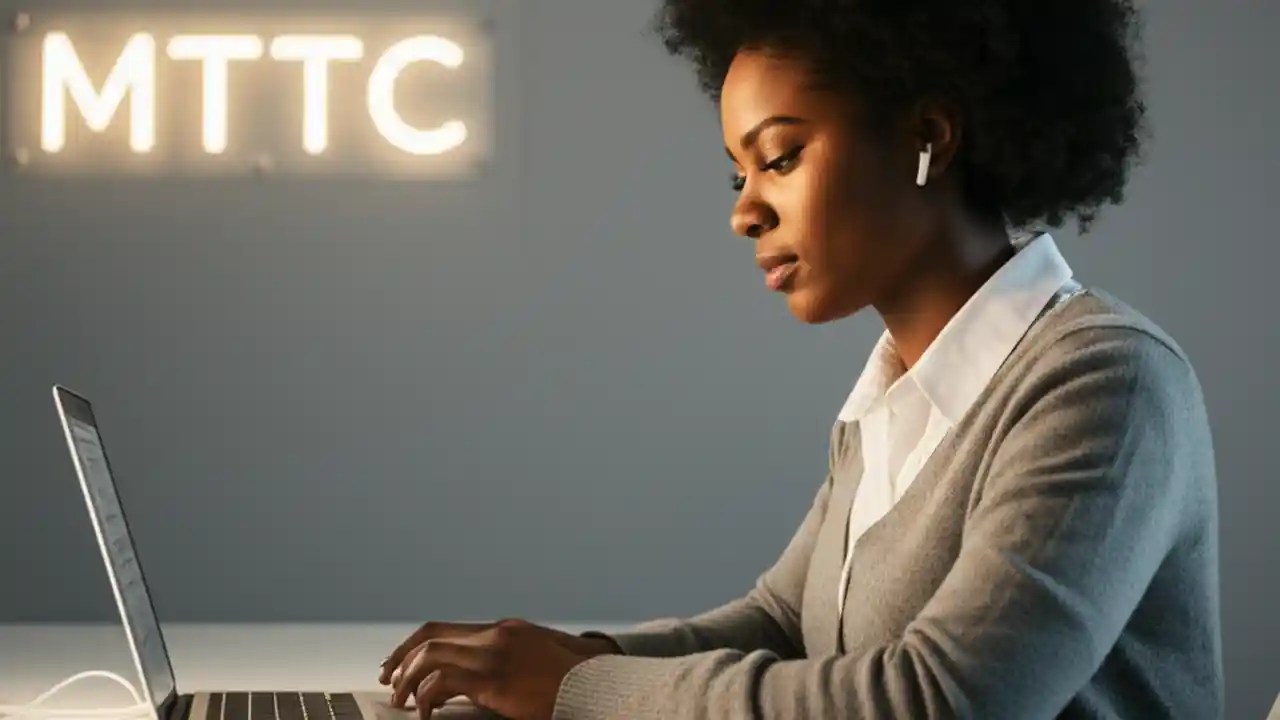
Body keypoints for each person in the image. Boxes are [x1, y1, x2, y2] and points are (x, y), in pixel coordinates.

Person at [377, 0, 1223, 717]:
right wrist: (567, 657)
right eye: (737, 175)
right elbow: (785, 621)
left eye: (779, 158)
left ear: (928, 135)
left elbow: (944, 700)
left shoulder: (1105, 383)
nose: (746, 213)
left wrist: (584, 689)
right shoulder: (892, 396)